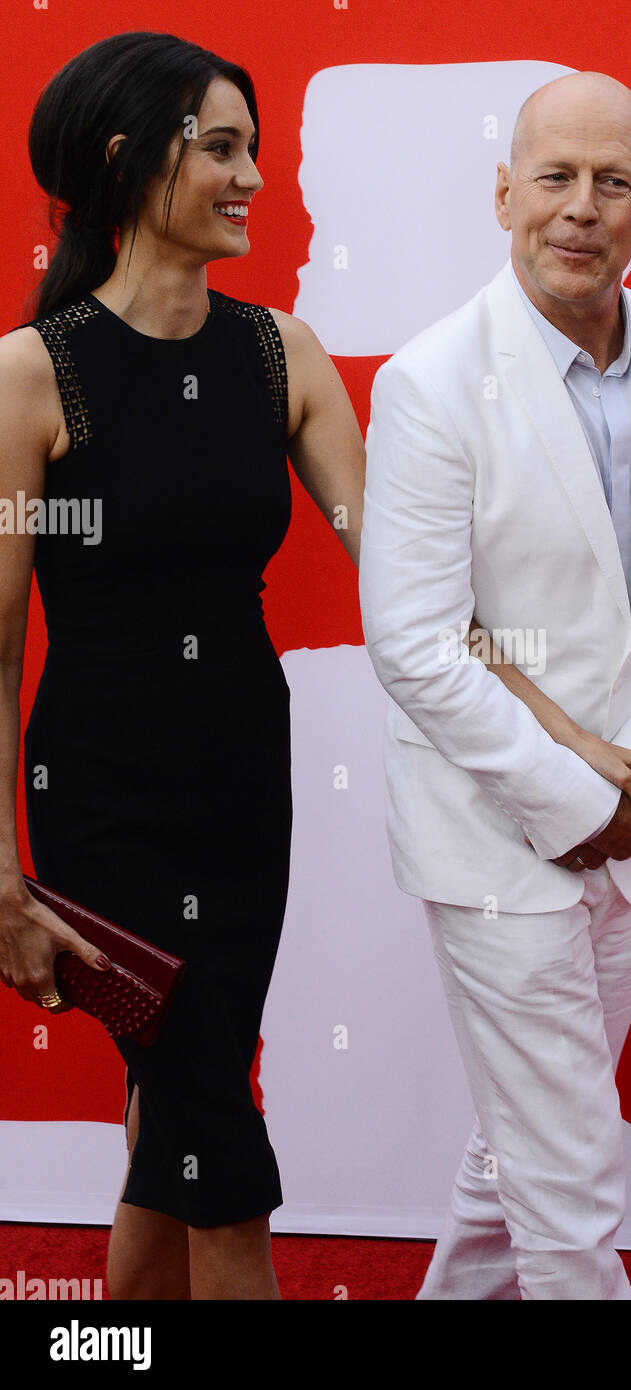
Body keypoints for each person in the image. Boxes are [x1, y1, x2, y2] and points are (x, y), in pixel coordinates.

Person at [359, 70, 631, 1299]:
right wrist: (578, 798)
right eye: (554, 178)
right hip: (491, 843)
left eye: (612, 182)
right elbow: (415, 641)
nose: (580, 208)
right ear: (504, 196)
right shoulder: (430, 382)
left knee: (524, 1138)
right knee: (570, 1170)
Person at [0, 31, 366, 1299]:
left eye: (251, 148)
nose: (252, 176)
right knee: (225, 1148)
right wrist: (0, 875)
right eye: (220, 147)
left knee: (180, 1118)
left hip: (239, 790)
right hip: (100, 803)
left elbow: (409, 574)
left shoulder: (284, 356)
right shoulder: (32, 375)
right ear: (128, 161)